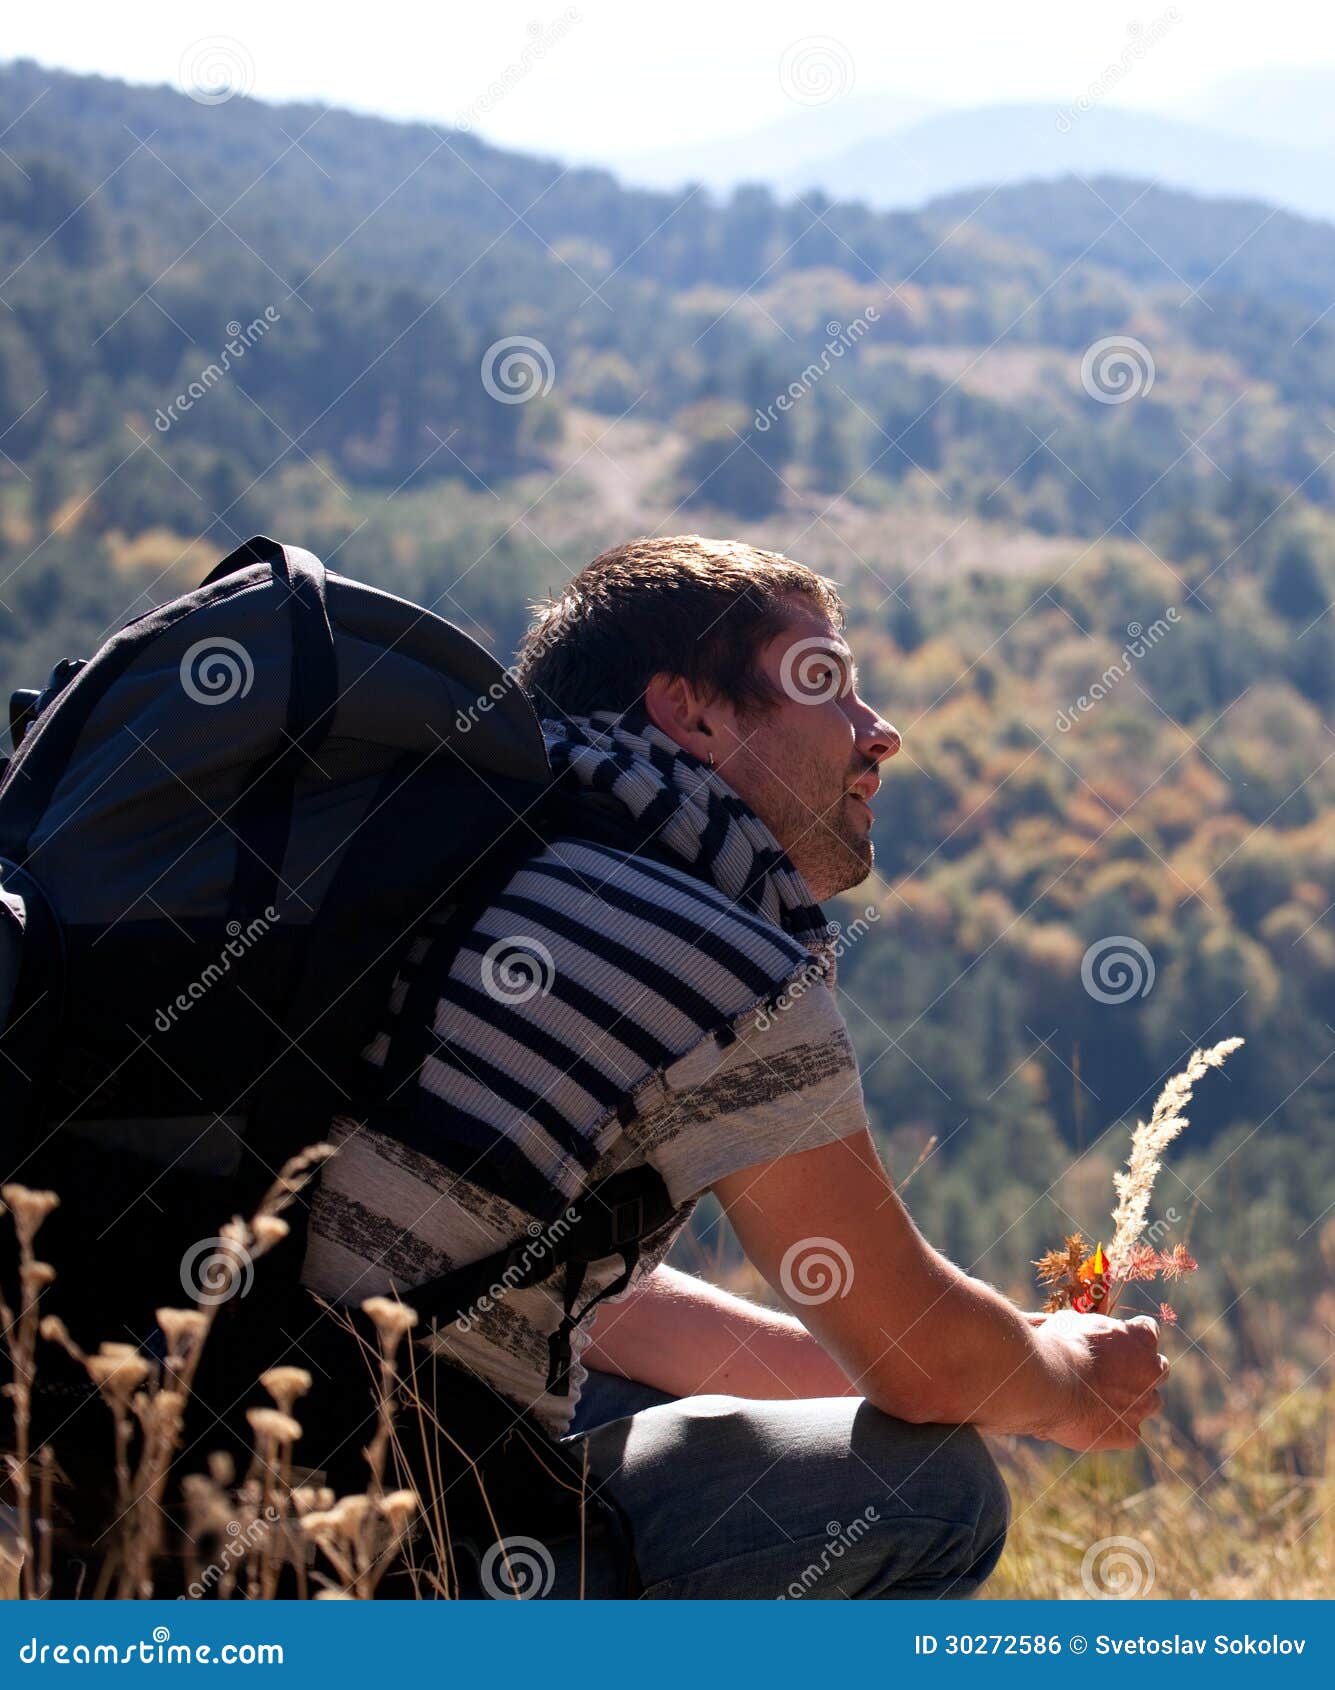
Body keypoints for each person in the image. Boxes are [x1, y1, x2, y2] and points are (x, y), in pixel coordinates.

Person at [301, 535, 1168, 1599]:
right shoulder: (711, 955)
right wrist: (1073, 1385)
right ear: (692, 713)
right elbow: (921, 1357)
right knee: (928, 1493)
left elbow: (584, 1299)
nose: (879, 733)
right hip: (364, 1525)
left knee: (639, 1390)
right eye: (826, 684)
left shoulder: (476, 858)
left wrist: (1002, 1358)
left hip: (190, 1454)